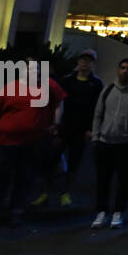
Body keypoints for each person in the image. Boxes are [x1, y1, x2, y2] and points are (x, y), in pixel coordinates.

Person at [0, 61, 67, 226]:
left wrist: (56, 123)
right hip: (7, 140)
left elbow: (59, 103)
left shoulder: (48, 86)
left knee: (25, 177)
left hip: (34, 141)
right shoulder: (10, 87)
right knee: (1, 175)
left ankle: (16, 210)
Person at [89, 57, 128, 229]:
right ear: (118, 69)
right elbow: (98, 114)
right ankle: (101, 212)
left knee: (123, 180)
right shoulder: (108, 89)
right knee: (103, 180)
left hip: (126, 143)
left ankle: (118, 211)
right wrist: (96, 136)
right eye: (122, 67)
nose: (125, 71)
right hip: (105, 141)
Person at [38, 49, 102, 209]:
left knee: (75, 161)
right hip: (64, 126)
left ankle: (65, 193)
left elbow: (97, 108)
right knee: (51, 159)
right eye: (82, 59)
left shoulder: (96, 84)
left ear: (92, 63)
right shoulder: (67, 80)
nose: (84, 63)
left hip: (81, 129)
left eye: (88, 60)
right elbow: (58, 103)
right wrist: (55, 123)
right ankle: (45, 192)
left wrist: (91, 128)